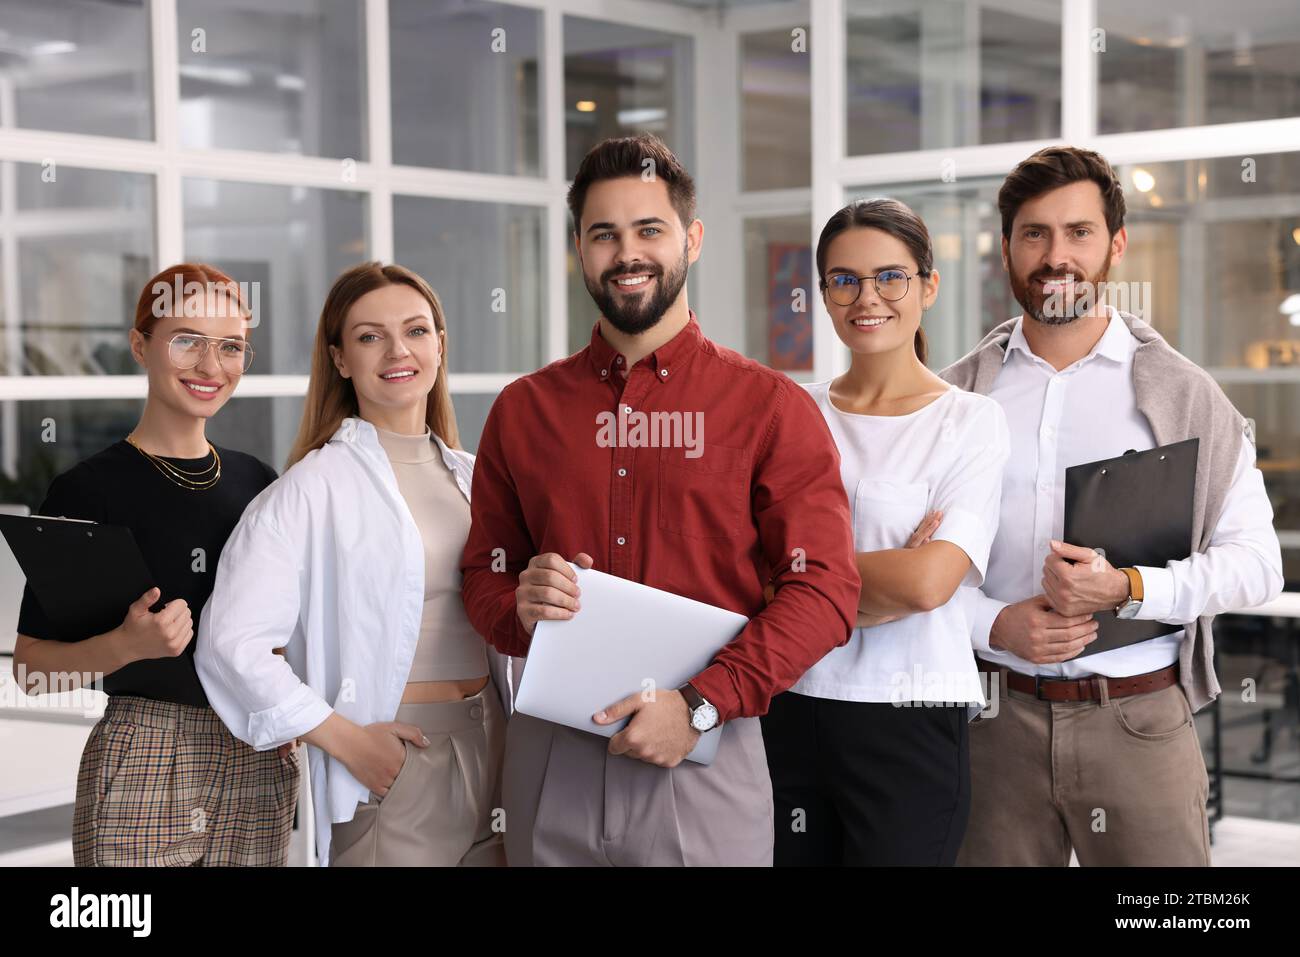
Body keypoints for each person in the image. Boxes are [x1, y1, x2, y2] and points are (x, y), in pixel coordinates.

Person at [460, 133, 860, 866]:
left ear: (692, 238)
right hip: (553, 761)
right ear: (579, 248)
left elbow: (826, 588)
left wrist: (701, 705)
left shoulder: (770, 408)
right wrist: (518, 602)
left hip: (701, 754)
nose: (627, 253)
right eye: (604, 234)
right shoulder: (523, 410)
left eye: (650, 229)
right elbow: (483, 575)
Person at [940, 145, 1285, 866]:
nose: (1054, 254)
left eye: (1079, 232)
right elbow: (904, 573)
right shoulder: (954, 399)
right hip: (990, 720)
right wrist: (993, 621)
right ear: (1005, 247)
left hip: (1140, 721)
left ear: (1115, 245)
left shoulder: (1184, 396)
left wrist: (1130, 589)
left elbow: (1258, 565)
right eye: (1033, 233)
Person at [195, 262, 508, 867]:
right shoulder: (308, 491)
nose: (398, 350)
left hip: (497, 742)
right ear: (340, 359)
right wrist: (348, 742)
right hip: (397, 759)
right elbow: (230, 645)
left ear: (440, 346)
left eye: (416, 331)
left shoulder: (478, 480)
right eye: (370, 336)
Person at [13, 263, 297, 866]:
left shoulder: (260, 483)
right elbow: (33, 671)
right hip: (148, 755)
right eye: (186, 340)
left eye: (231, 348)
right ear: (141, 345)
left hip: (258, 749)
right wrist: (125, 644)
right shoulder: (87, 491)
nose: (211, 366)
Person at [761, 199, 1010, 866]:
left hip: (909, 716)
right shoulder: (789, 411)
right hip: (784, 705)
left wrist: (804, 581)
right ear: (823, 293)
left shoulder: (972, 422)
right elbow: (745, 574)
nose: (866, 297)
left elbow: (931, 584)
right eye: (844, 280)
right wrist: (884, 572)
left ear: (928, 285)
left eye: (890, 276)